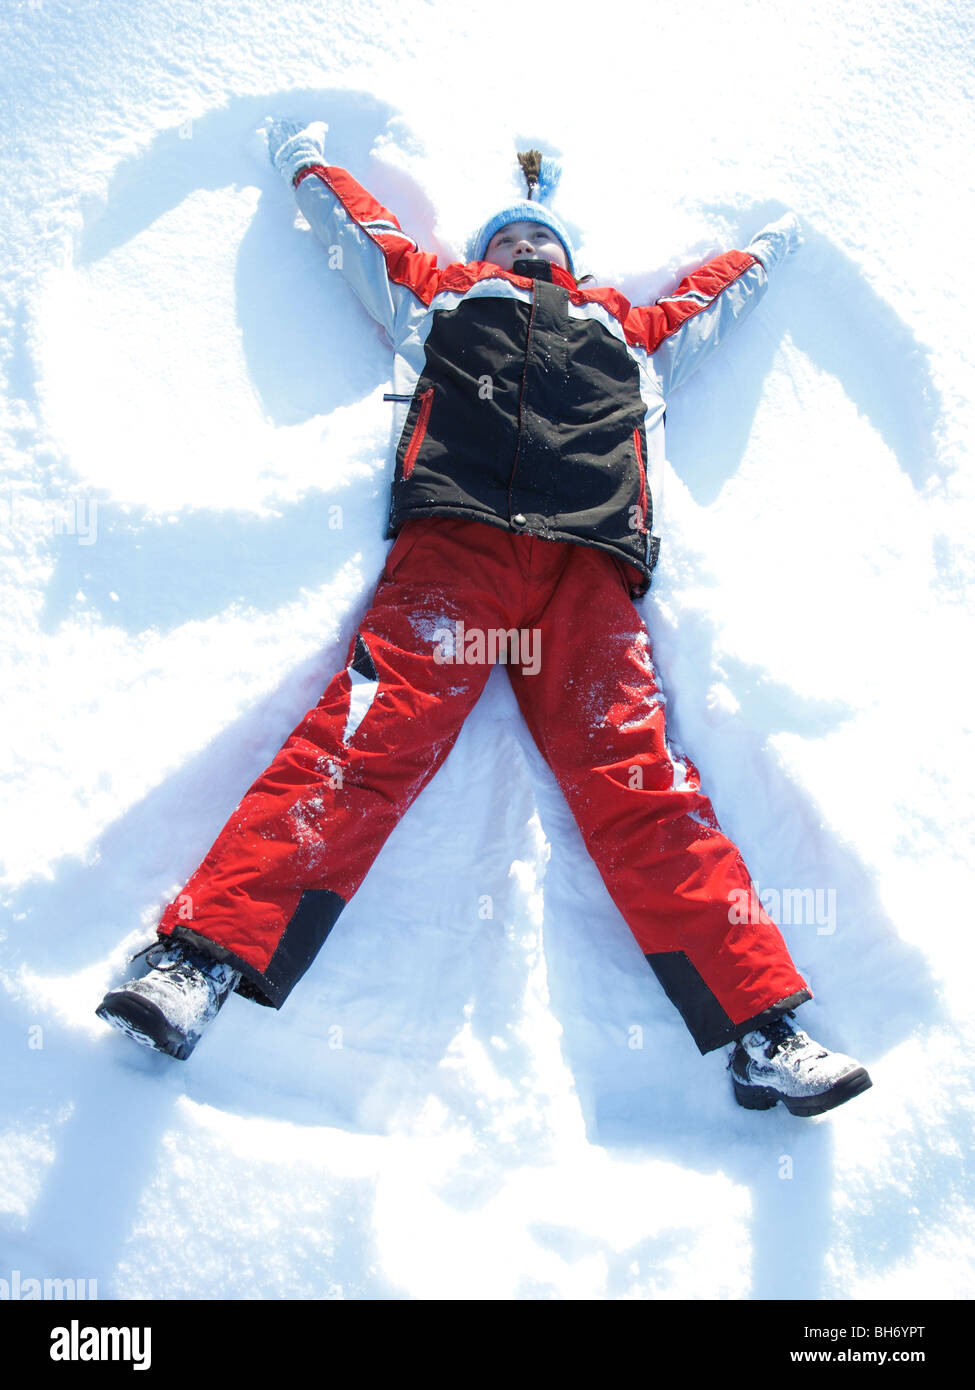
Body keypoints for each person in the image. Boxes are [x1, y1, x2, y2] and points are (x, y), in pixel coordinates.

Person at [97, 122, 871, 1117]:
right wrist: (305, 162)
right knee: (364, 740)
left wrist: (765, 251)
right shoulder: (445, 293)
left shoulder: (631, 331)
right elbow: (363, 234)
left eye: (541, 239)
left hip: (587, 579)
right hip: (455, 555)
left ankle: (764, 1027)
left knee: (643, 786)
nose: (527, 248)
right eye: (509, 237)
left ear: (570, 257)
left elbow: (712, 301)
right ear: (483, 252)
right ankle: (197, 960)